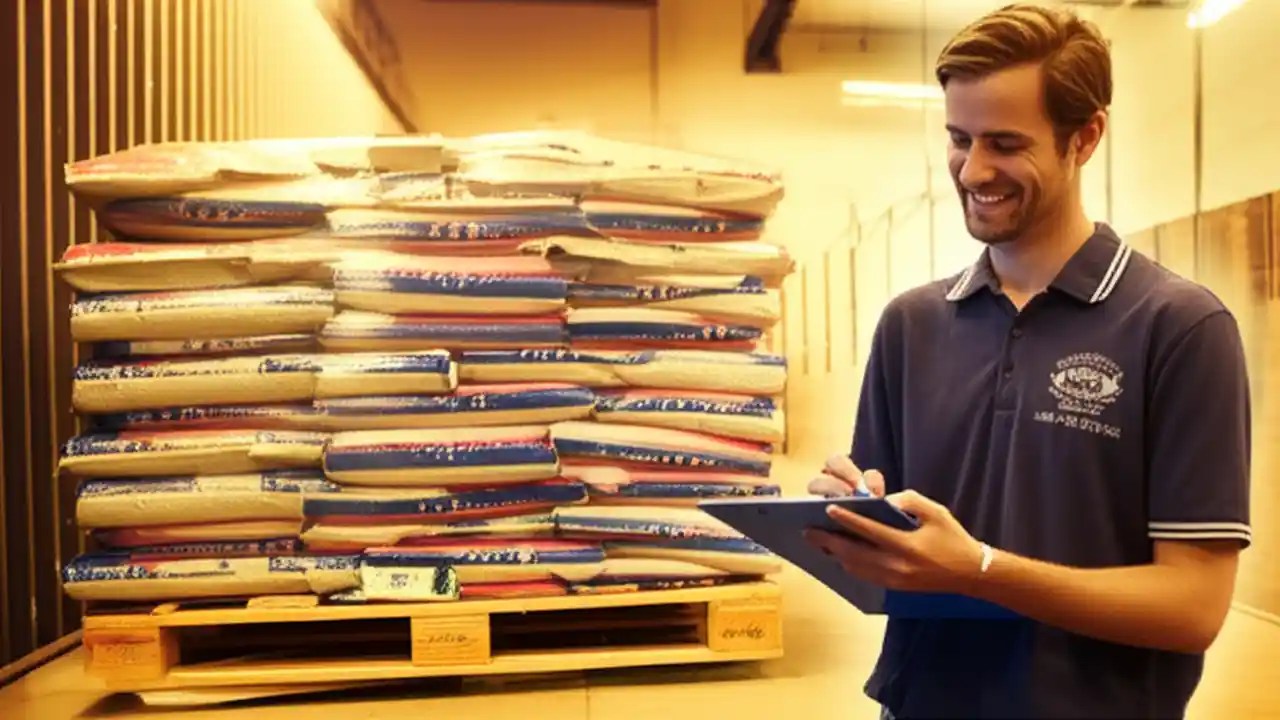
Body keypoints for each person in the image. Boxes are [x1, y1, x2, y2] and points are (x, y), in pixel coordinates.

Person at [803, 4, 1252, 719]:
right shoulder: (911, 326)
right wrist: (844, 516)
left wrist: (980, 570)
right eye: (959, 139)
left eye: (1006, 144)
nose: (974, 169)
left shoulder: (1180, 329)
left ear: (1086, 137)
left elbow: (1193, 606)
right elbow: (883, 564)